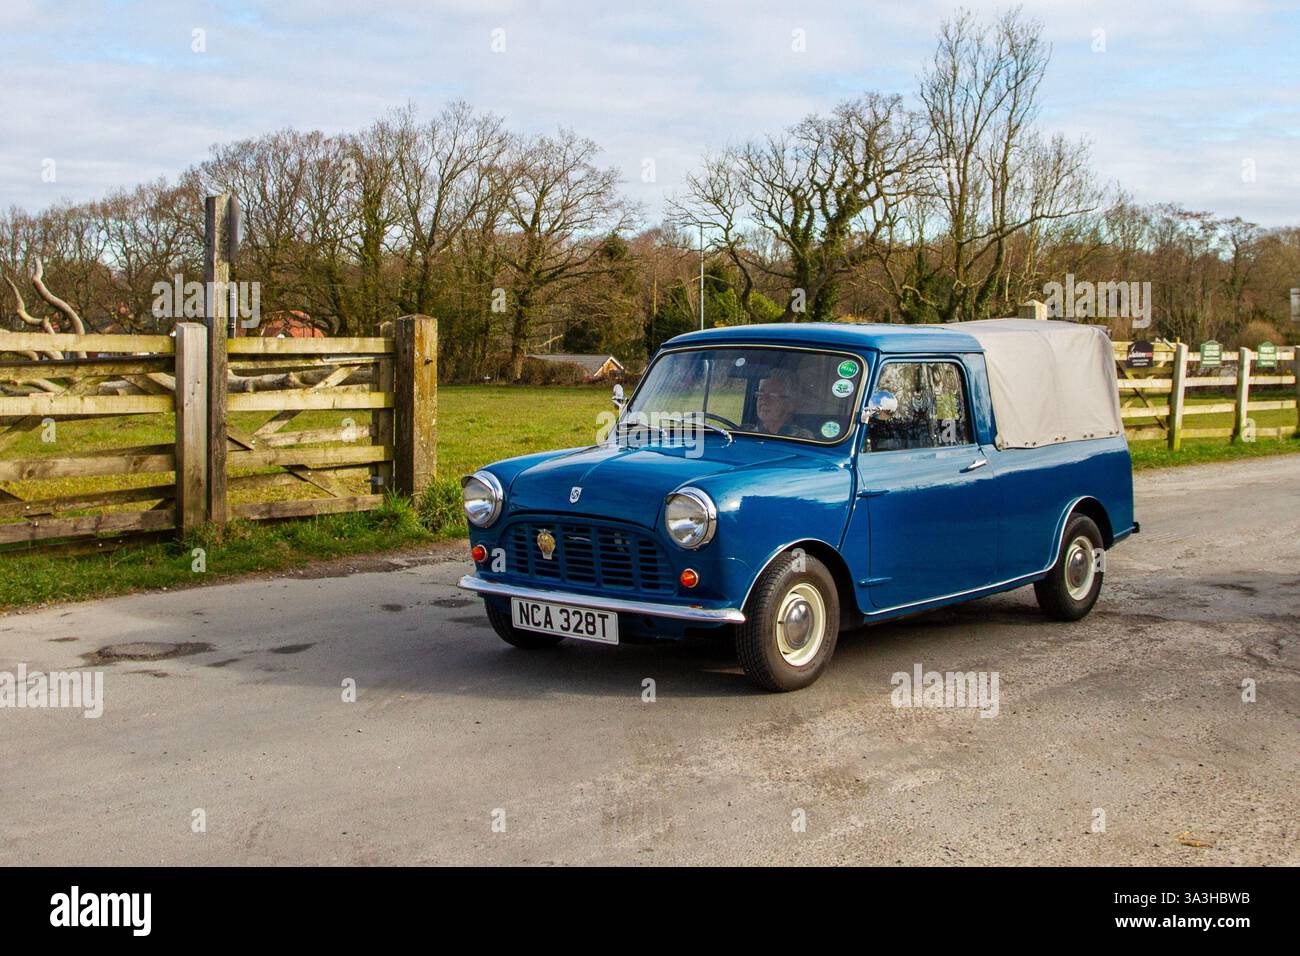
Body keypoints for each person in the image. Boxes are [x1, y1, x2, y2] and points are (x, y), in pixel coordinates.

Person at [746, 369, 815, 439]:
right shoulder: (742, 432)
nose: (763, 399)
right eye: (760, 393)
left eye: (773, 395)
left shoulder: (802, 438)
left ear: (791, 404)